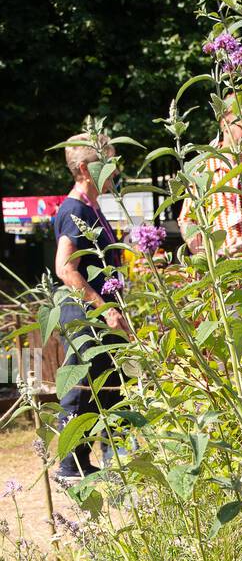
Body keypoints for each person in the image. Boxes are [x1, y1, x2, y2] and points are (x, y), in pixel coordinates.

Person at [52, 133, 129, 484]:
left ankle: (111, 461)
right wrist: (104, 308)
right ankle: (70, 466)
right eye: (106, 162)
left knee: (113, 383)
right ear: (85, 168)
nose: (113, 169)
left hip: (101, 312)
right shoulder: (74, 210)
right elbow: (65, 267)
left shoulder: (92, 208)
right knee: (82, 385)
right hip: (85, 315)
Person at [179, 92, 242, 254]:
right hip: (222, 274)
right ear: (225, 124)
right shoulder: (203, 168)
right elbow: (188, 221)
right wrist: (205, 255)